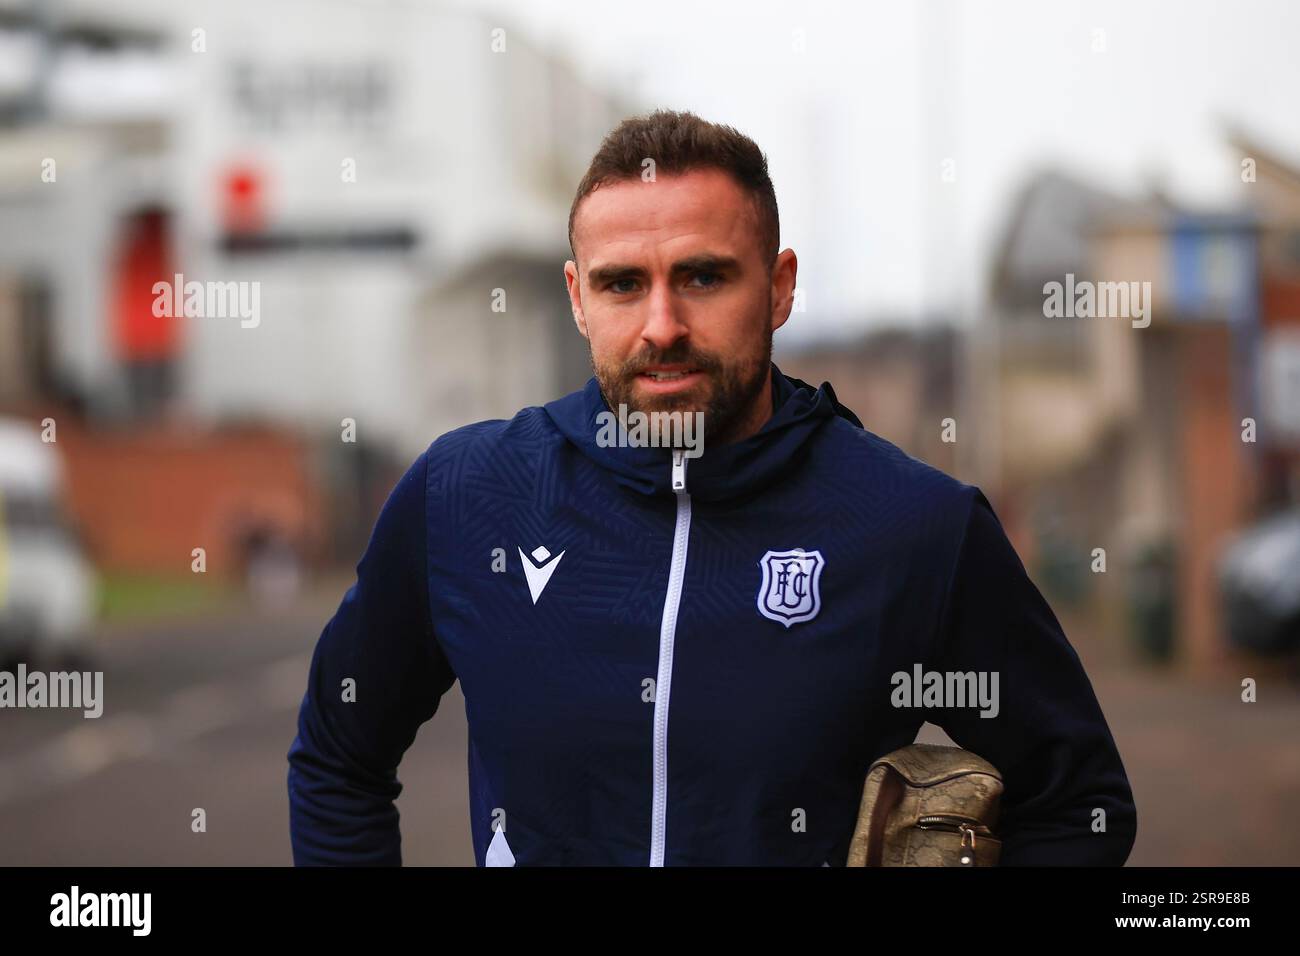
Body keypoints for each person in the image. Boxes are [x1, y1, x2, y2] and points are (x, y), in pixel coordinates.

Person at [287, 109, 1137, 866]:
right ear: (579, 299)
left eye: (703, 276)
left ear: (779, 287)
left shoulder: (916, 527)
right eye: (624, 283)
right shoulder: (467, 493)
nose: (662, 326)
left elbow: (1080, 805)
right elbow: (338, 757)